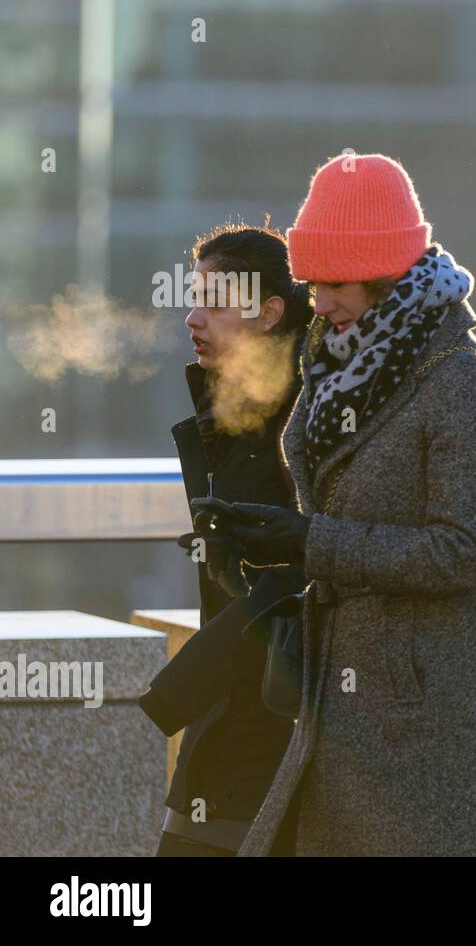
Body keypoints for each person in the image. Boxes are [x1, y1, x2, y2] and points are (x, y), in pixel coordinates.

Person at [202, 153, 476, 856]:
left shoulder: (466, 385)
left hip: (437, 708)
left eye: (331, 283)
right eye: (310, 282)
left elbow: (460, 553)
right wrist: (267, 541)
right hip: (349, 698)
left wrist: (311, 540)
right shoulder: (337, 370)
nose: (317, 302)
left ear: (386, 277)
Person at [138, 224, 311, 857]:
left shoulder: (303, 423)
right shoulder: (239, 417)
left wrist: (188, 680)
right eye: (194, 298)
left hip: (272, 715)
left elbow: (306, 572)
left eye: (214, 301)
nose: (192, 318)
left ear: (269, 313)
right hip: (235, 708)